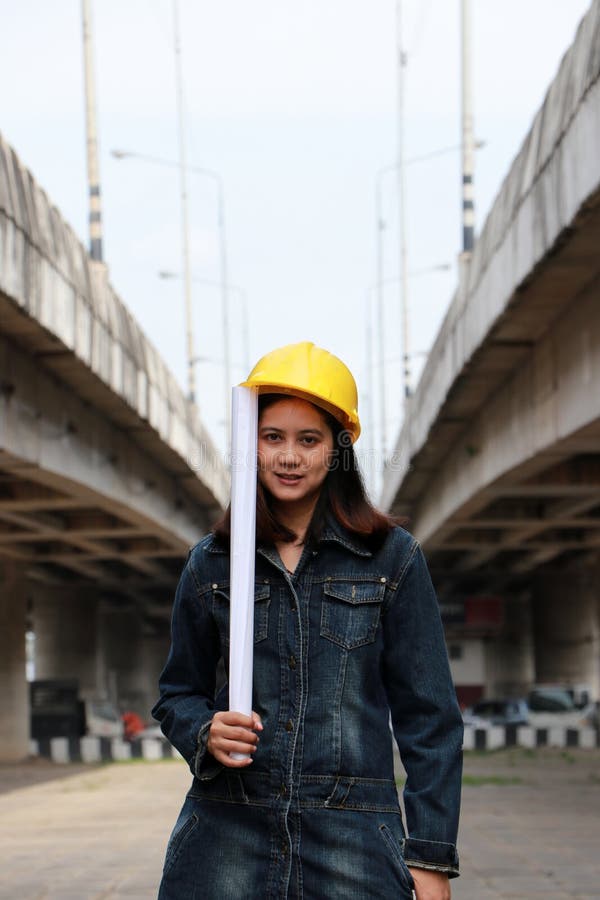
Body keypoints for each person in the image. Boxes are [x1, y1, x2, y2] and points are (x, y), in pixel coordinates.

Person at [153, 342, 463, 900]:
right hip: (227, 832)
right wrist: (205, 730)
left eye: (309, 439)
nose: (288, 457)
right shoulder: (212, 562)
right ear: (251, 444)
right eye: (272, 437)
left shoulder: (392, 560)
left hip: (354, 838)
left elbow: (430, 720)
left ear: (338, 450)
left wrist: (431, 858)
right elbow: (178, 691)